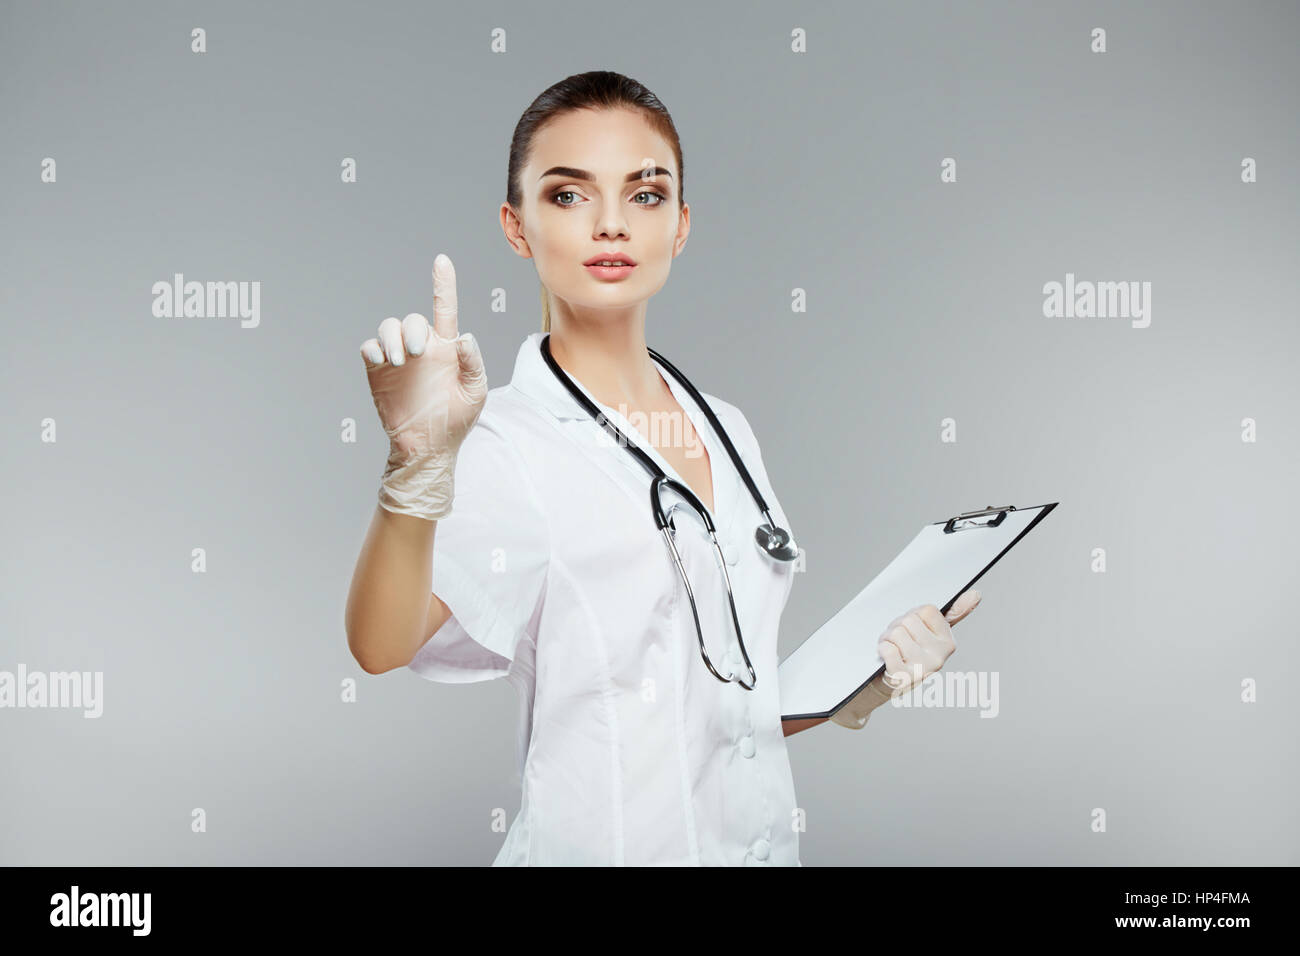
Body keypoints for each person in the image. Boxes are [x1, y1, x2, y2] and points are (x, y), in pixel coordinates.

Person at [344, 70, 981, 866]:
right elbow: (380, 642)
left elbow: (720, 705)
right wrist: (413, 467)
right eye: (569, 196)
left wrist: (863, 683)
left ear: (680, 224)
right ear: (516, 227)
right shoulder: (505, 441)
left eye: (645, 195)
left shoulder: (728, 431)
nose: (612, 224)